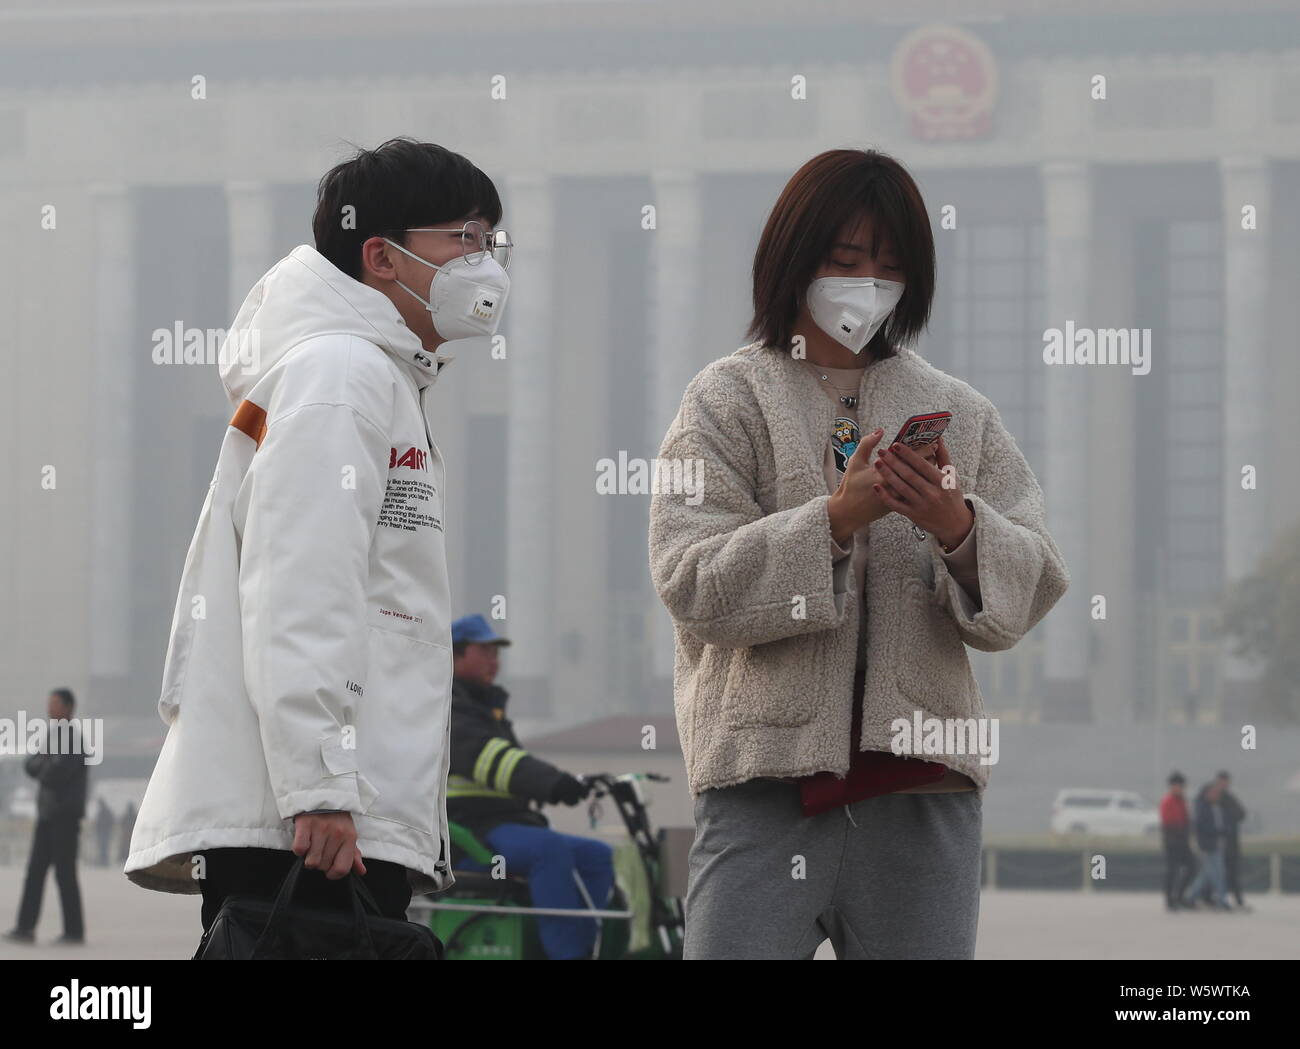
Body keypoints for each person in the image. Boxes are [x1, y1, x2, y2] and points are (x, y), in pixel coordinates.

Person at [648, 148, 1070, 959]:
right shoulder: (728, 398)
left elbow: (1039, 574)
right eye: (845, 261)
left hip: (923, 790)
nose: (867, 285)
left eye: (889, 266)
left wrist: (960, 528)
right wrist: (833, 523)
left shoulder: (959, 412)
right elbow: (690, 577)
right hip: (766, 787)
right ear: (792, 260)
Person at [124, 139, 513, 942]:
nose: (485, 265)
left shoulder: (373, 375)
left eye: (490, 242)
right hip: (314, 826)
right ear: (381, 256)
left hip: (337, 815)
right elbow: (300, 586)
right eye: (465, 240)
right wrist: (321, 787)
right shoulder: (341, 377)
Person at [446, 614, 616, 960]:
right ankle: (565, 954)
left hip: (501, 826)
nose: (495, 661)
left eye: (497, 653)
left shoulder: (486, 708)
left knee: (597, 856)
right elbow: (492, 760)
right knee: (547, 850)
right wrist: (556, 784)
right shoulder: (446, 705)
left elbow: (508, 763)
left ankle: (588, 948)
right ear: (453, 655)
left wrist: (571, 783)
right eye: (485, 651)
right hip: (467, 833)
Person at [4, 689, 87, 945]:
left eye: (54, 704)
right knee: (34, 872)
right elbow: (31, 764)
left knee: (65, 875)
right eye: (49, 704)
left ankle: (74, 931)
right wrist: (46, 764)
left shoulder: (72, 738)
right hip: (47, 815)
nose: (49, 709)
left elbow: (56, 774)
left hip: (64, 817)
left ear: (68, 708)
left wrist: (45, 765)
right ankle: (25, 927)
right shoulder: (53, 737)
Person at [1181, 778, 1230, 911]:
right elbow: (1202, 828)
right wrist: (1218, 832)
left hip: (1218, 844)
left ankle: (1190, 897)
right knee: (1217, 874)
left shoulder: (1218, 807)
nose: (1217, 796)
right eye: (1214, 793)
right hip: (1208, 846)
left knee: (1207, 874)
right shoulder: (1202, 808)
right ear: (1208, 793)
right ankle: (1222, 900)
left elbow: (1224, 823)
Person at [1208, 770, 1250, 912]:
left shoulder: (1229, 799)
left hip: (1231, 843)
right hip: (1219, 843)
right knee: (1218, 873)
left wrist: (1229, 821)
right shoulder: (1212, 799)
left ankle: (1237, 900)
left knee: (1232, 872)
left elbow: (1242, 813)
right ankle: (1218, 899)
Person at [1159, 771, 1197, 911]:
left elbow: (1186, 820)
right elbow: (1169, 822)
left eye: (1181, 786)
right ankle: (1170, 900)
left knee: (1192, 867)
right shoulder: (1167, 801)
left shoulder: (1182, 801)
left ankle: (1180, 896)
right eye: (1177, 786)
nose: (1180, 789)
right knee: (1172, 871)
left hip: (1183, 841)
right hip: (1172, 841)